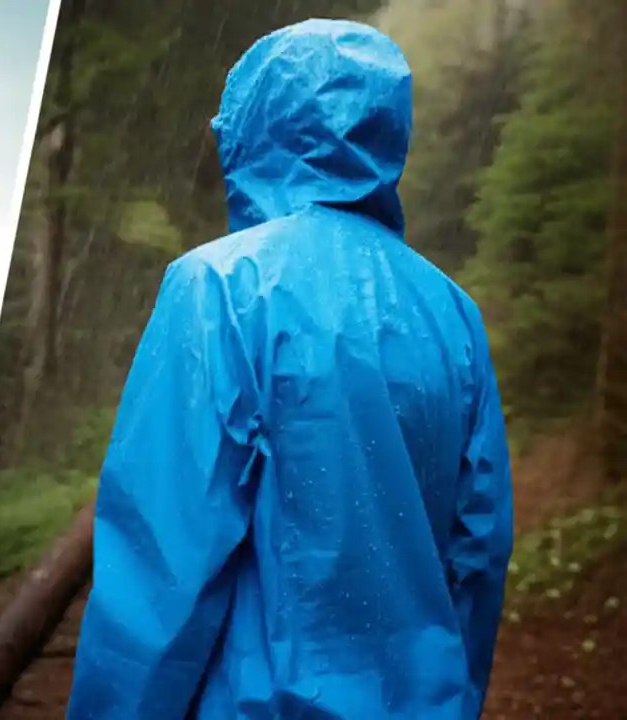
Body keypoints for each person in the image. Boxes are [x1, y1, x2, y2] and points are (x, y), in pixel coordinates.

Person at [66, 19, 513, 720]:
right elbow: (478, 555)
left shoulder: (219, 288)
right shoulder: (452, 312)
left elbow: (164, 565)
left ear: (252, 125)